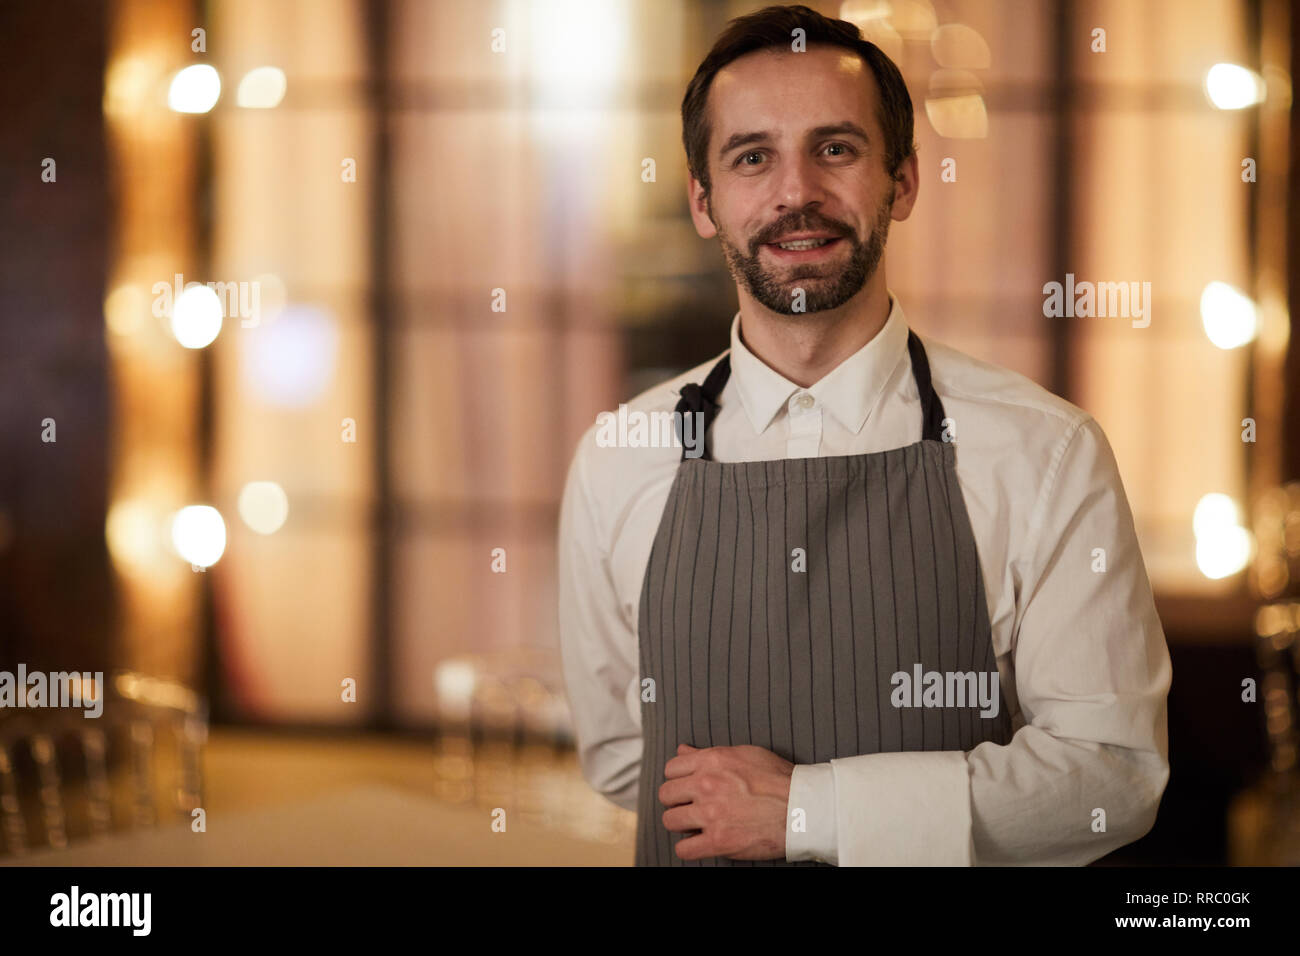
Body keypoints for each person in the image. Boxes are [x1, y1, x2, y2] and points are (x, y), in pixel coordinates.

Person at [557, 4, 1170, 866]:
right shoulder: (617, 460)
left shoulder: (1048, 453)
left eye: (835, 148)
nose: (796, 191)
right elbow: (627, 759)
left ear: (904, 182)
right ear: (704, 201)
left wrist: (806, 812)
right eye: (752, 156)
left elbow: (1111, 777)